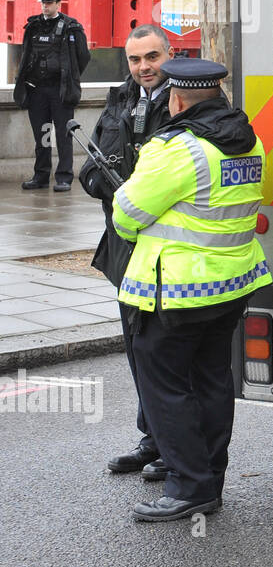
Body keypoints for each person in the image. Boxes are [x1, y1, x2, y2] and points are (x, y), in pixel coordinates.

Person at [112, 58, 272, 522]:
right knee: (212, 381)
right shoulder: (249, 139)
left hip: (177, 292)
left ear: (177, 99)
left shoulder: (174, 148)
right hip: (231, 283)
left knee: (165, 388)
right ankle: (209, 479)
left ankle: (190, 488)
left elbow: (126, 216)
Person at [81, 25, 174, 481]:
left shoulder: (184, 100)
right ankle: (152, 439)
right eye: (135, 60)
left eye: (152, 57)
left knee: (167, 353)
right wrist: (106, 187)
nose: (143, 68)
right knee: (138, 347)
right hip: (124, 246)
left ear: (168, 54)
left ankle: (175, 447)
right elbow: (89, 168)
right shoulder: (120, 100)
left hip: (166, 251)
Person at [13, 0, 91, 191]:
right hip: (37, 90)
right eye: (43, 3)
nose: (45, 6)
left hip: (60, 90)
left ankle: (64, 177)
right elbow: (26, 54)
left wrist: (70, 77)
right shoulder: (34, 26)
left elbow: (83, 56)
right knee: (42, 135)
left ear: (58, 4)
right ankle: (41, 176)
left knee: (64, 135)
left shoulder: (71, 27)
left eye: (49, 3)